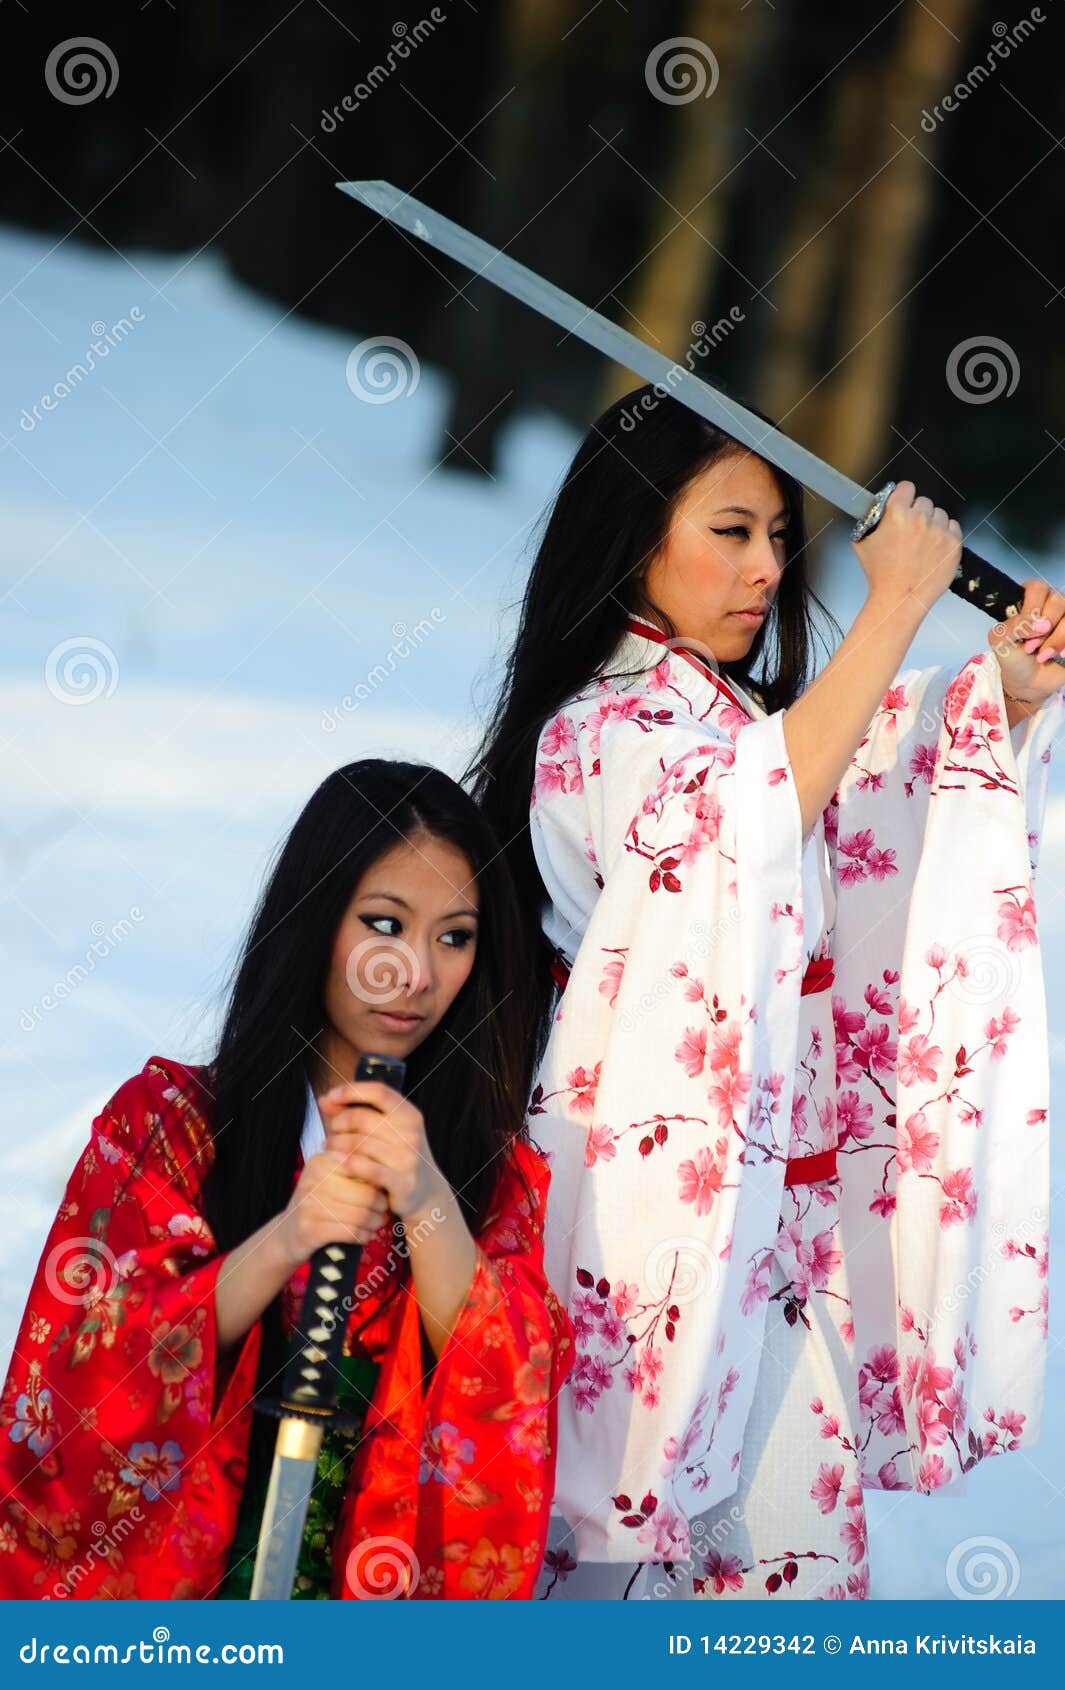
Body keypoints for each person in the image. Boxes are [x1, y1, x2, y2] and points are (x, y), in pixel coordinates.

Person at [468, 384, 1065, 1600]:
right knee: (624, 1574)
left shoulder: (750, 727)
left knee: (788, 1592)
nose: (766, 565)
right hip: (651, 1233)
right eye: (730, 529)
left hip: (785, 1248)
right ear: (635, 532)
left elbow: (848, 795)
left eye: (780, 535)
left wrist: (997, 690)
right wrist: (897, 602)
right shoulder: (597, 729)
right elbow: (754, 811)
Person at [0, 760, 573, 1600]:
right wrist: (287, 1239)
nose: (415, 973)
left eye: (455, 936)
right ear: (313, 918)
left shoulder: (494, 1169)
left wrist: (426, 1200)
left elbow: (513, 1386)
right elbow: (85, 1375)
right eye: (383, 923)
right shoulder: (166, 1121)